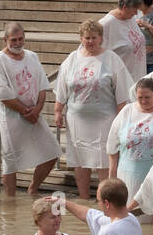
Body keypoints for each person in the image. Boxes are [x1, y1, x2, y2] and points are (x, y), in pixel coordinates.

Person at [54, 21, 133, 200]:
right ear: (81, 38)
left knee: (104, 160)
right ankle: (84, 199)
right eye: (87, 38)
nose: (90, 41)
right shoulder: (72, 59)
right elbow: (61, 88)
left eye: (94, 38)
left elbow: (122, 93)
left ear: (101, 38)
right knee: (80, 161)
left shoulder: (111, 58)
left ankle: (103, 200)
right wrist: (58, 110)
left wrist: (122, 122)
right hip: (77, 119)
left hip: (105, 119)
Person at [0, 23, 60, 197]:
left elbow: (43, 86)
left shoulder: (32, 56)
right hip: (12, 117)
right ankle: (9, 200)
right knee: (11, 161)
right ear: (5, 40)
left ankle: (33, 188)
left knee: (53, 151)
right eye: (13, 40)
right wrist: (24, 111)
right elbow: (2, 93)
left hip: (35, 114)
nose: (18, 43)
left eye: (21, 39)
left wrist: (37, 110)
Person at [105, 76, 153, 201]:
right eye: (140, 98)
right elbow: (112, 146)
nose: (144, 101)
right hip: (127, 177)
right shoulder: (127, 111)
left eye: (147, 97)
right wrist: (112, 177)